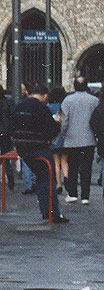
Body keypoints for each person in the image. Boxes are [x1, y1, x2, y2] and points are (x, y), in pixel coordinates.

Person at [11, 82, 65, 224]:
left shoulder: (19, 106)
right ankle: (53, 213)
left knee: (41, 177)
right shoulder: (41, 108)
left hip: (22, 148)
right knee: (48, 178)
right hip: (38, 147)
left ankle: (46, 211)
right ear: (44, 95)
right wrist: (57, 122)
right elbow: (52, 131)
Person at [58, 77, 98, 205]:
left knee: (73, 168)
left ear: (74, 86)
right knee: (86, 169)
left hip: (71, 140)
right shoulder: (94, 100)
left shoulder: (68, 100)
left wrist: (62, 135)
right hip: (88, 140)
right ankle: (85, 196)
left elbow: (63, 121)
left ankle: (72, 193)